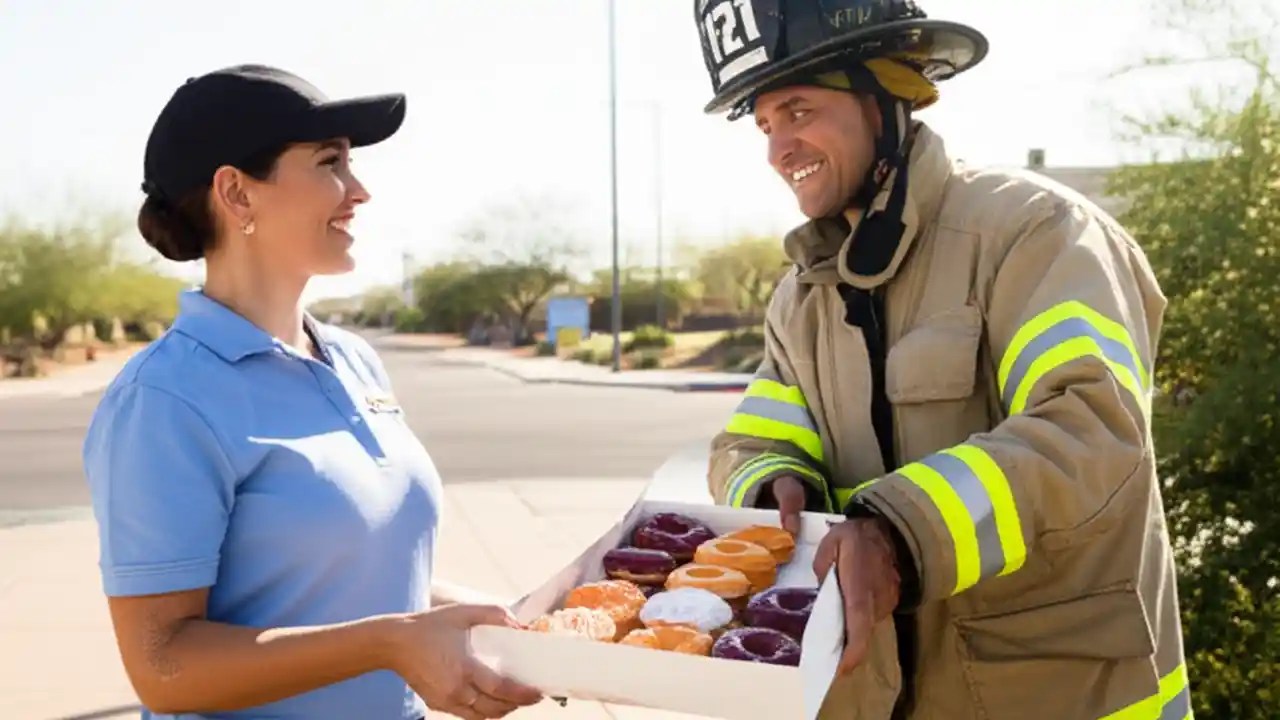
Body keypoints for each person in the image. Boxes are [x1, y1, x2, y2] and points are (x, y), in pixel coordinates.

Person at [694, 2, 1191, 718]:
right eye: (765, 124)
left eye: (798, 109)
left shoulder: (1037, 232)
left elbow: (1089, 429)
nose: (778, 148)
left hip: (1052, 694)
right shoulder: (801, 297)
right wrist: (774, 489)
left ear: (882, 95)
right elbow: (752, 439)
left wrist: (898, 532)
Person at [81, 65, 543, 720]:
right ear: (237, 194)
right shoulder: (164, 399)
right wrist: (389, 644)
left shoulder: (353, 359)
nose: (359, 191)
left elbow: (345, 583)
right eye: (330, 162)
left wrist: (494, 627)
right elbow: (164, 665)